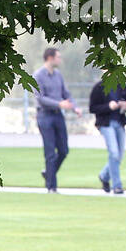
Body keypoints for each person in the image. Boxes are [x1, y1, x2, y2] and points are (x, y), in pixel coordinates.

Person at [33, 47, 81, 192]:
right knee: (50, 152)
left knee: (64, 150)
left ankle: (49, 173)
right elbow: (40, 99)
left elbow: (66, 94)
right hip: (44, 116)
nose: (60, 59)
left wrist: (74, 107)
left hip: (58, 116)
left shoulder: (58, 75)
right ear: (50, 58)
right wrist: (59, 104)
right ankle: (51, 187)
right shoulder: (38, 76)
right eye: (58, 57)